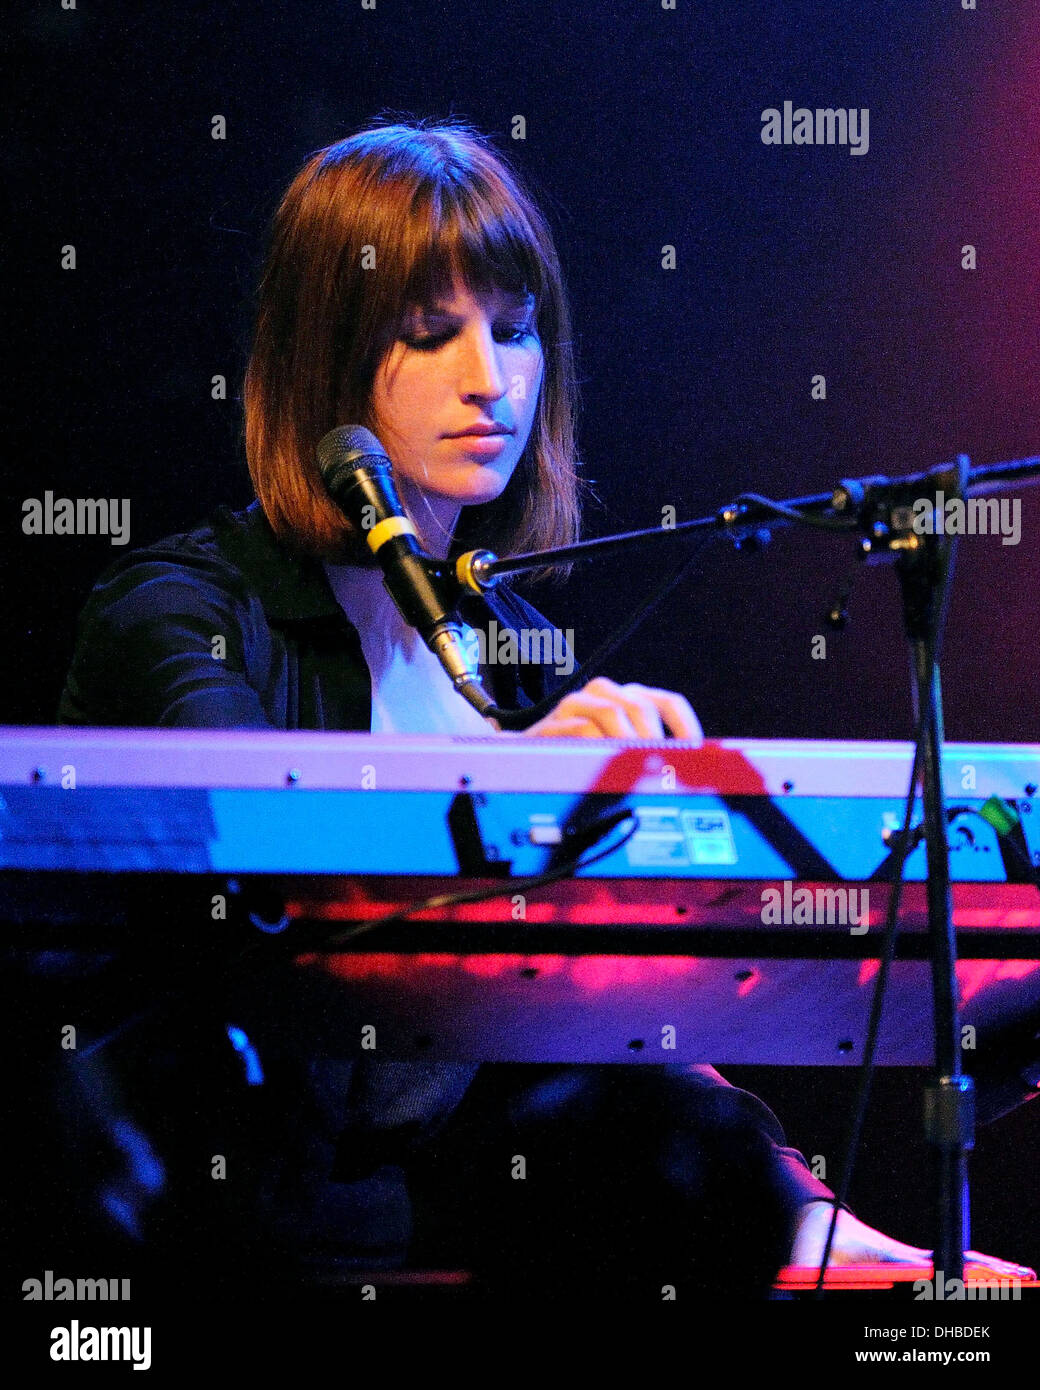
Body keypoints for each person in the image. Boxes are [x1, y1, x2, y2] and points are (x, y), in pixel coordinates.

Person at [57, 117, 1032, 1295]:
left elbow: (586, 1018)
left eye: (515, 331)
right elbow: (277, 870)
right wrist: (524, 789)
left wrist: (796, 1213)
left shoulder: (507, 647)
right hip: (171, 1262)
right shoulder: (173, 607)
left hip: (411, 1253)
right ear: (325, 360)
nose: (490, 379)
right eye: (431, 333)